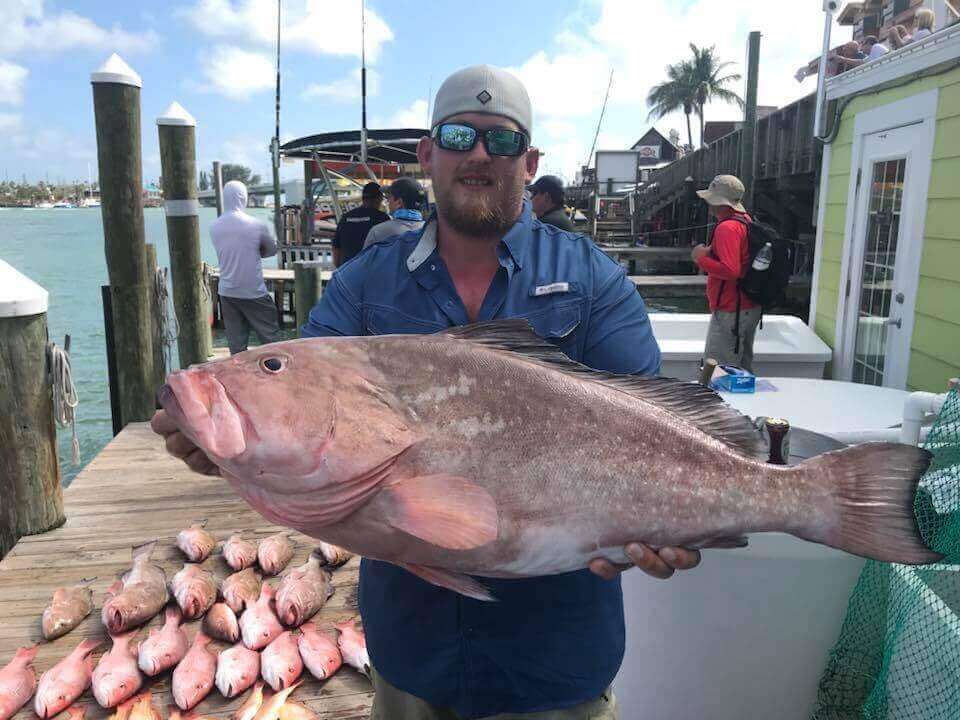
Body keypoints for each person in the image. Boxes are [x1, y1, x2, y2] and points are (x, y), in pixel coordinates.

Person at [151, 64, 702, 720]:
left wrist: (677, 512)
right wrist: (215, 446)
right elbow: (305, 413)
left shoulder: (594, 280)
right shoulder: (361, 287)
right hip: (414, 661)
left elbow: (648, 418)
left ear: (528, 162)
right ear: (427, 153)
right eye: (458, 135)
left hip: (559, 665)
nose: (478, 154)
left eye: (501, 142)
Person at [690, 174, 762, 372]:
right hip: (748, 308)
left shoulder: (727, 228)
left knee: (718, 372)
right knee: (741, 367)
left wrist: (700, 258)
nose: (708, 204)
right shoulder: (746, 221)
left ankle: (718, 404)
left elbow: (731, 271)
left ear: (719, 202)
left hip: (732, 310)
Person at [209, 180, 282, 355]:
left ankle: (240, 378)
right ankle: (276, 375)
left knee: (236, 346)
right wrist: (255, 251)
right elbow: (272, 250)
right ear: (244, 197)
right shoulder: (256, 225)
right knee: (271, 341)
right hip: (253, 291)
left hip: (227, 292)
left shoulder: (214, 226)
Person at [331, 181, 390, 266]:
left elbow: (336, 248)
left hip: (347, 271)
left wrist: (340, 269)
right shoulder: (382, 218)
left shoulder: (346, 217)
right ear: (379, 199)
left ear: (363, 198)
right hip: (370, 271)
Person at [363, 176, 427, 249]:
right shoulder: (431, 231)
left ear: (399, 202)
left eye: (389, 197)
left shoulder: (378, 232)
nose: (387, 201)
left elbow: (365, 260)